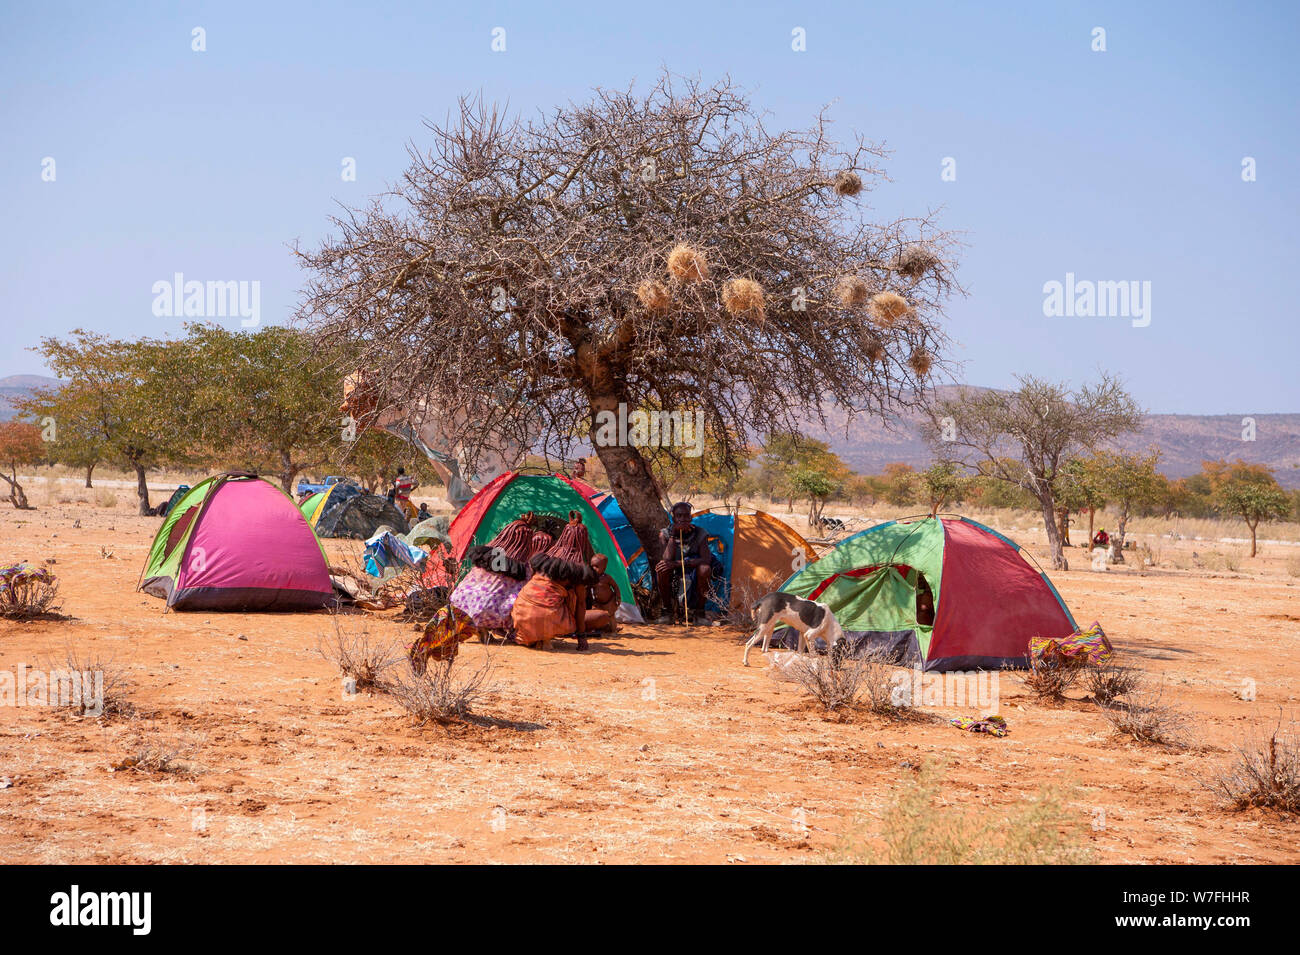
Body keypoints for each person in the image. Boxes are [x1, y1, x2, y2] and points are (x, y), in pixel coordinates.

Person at [512, 512, 611, 650]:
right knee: (601, 615)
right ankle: (545, 636)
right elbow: (581, 605)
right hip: (546, 617)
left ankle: (538, 636)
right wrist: (581, 638)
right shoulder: (577, 570)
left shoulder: (545, 559)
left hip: (519, 611)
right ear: (583, 539)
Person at [447, 513, 539, 638]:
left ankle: (481, 629)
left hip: (461, 605)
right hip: (490, 614)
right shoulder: (520, 570)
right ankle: (486, 628)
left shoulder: (486, 558)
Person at [655, 502, 723, 625]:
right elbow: (666, 559)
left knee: (705, 569)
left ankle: (699, 613)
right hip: (674, 570)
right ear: (673, 518)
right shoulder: (665, 534)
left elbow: (706, 559)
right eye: (679, 516)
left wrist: (679, 563)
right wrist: (672, 535)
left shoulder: (699, 533)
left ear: (691, 517)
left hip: (692, 570)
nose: (682, 519)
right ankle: (668, 612)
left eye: (686, 516)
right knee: (662, 568)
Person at [588, 553, 621, 634]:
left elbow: (616, 587)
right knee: (596, 615)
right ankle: (599, 629)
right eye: (592, 566)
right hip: (598, 602)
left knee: (611, 616)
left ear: (604, 568)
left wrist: (618, 597)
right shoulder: (591, 578)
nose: (594, 568)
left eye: (597, 566)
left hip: (609, 601)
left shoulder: (607, 578)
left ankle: (614, 631)